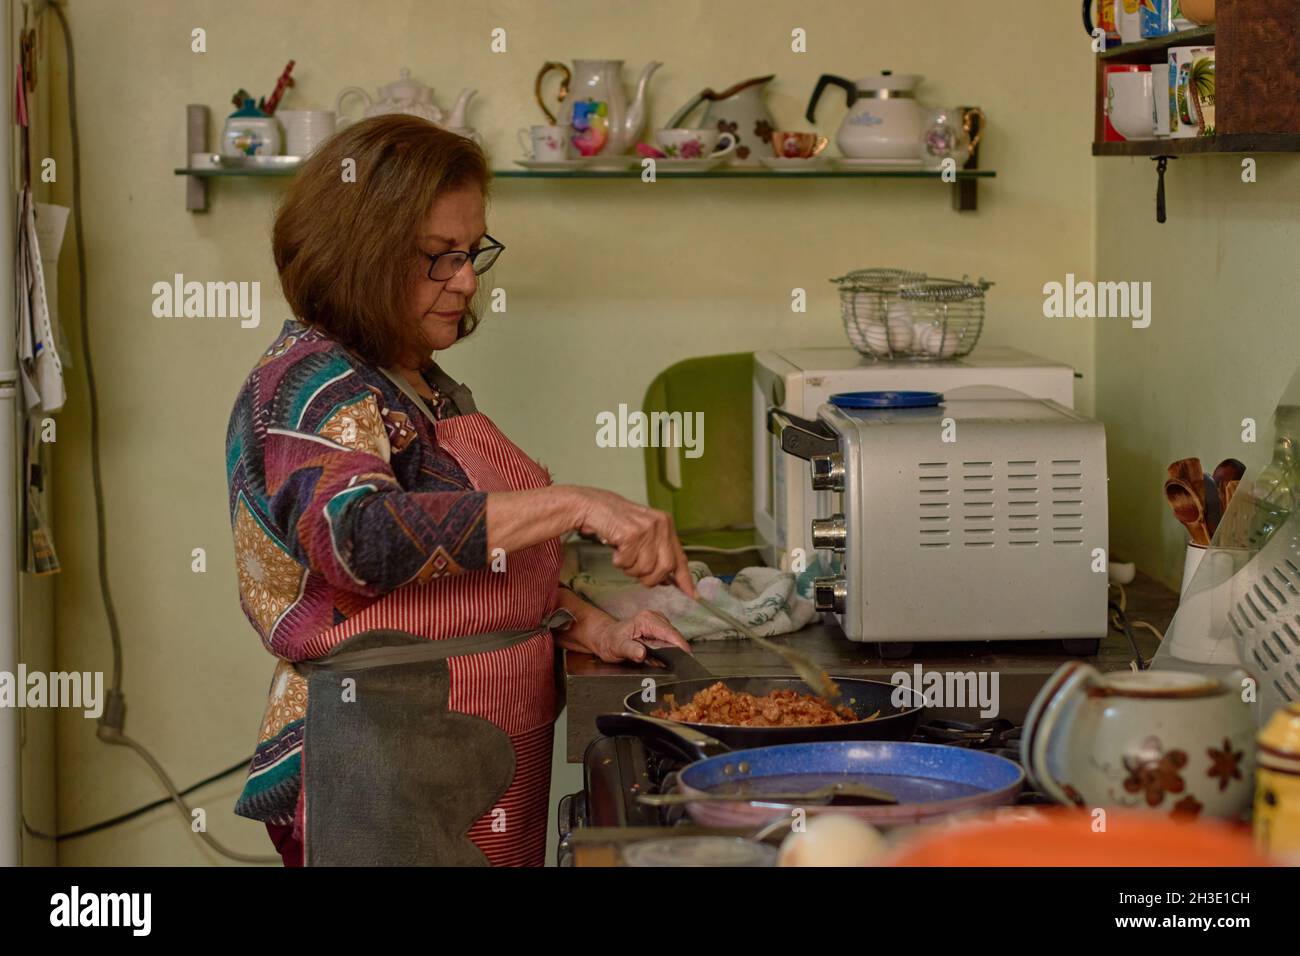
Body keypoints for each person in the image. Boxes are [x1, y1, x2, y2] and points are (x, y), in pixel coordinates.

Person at [224, 114, 695, 866]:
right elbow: (359, 540)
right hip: (385, 761)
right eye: (438, 258)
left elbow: (479, 570)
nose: (468, 280)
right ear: (360, 254)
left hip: (481, 755)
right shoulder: (311, 385)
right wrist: (577, 503)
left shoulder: (420, 381)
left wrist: (592, 627)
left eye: (472, 253)